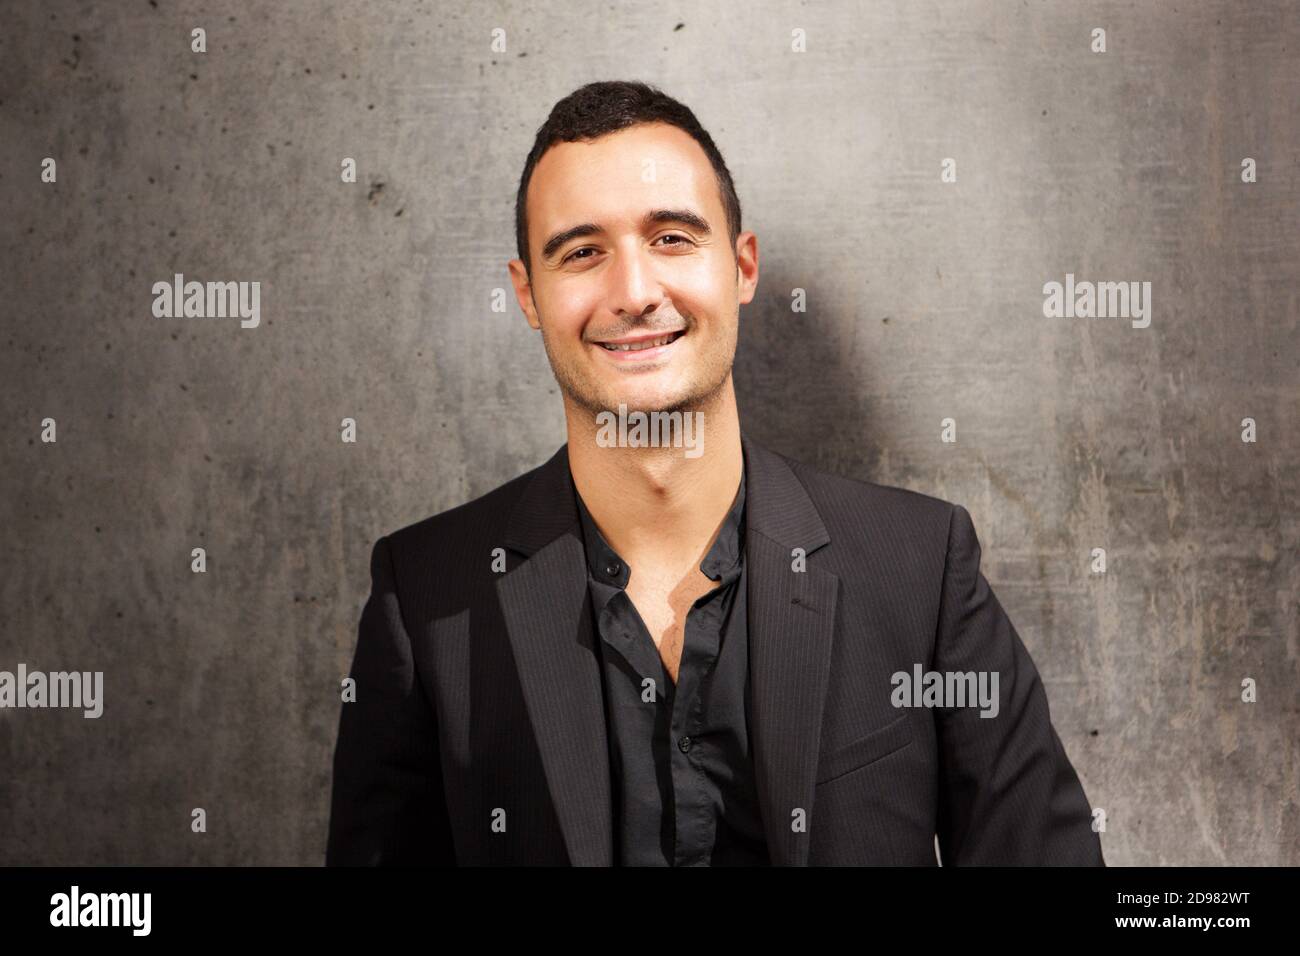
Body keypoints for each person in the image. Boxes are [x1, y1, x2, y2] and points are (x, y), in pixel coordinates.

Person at [325, 80, 1104, 866]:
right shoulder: (424, 598)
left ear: (742, 266)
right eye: (583, 252)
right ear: (528, 293)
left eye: (671, 238)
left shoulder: (920, 567)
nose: (633, 294)